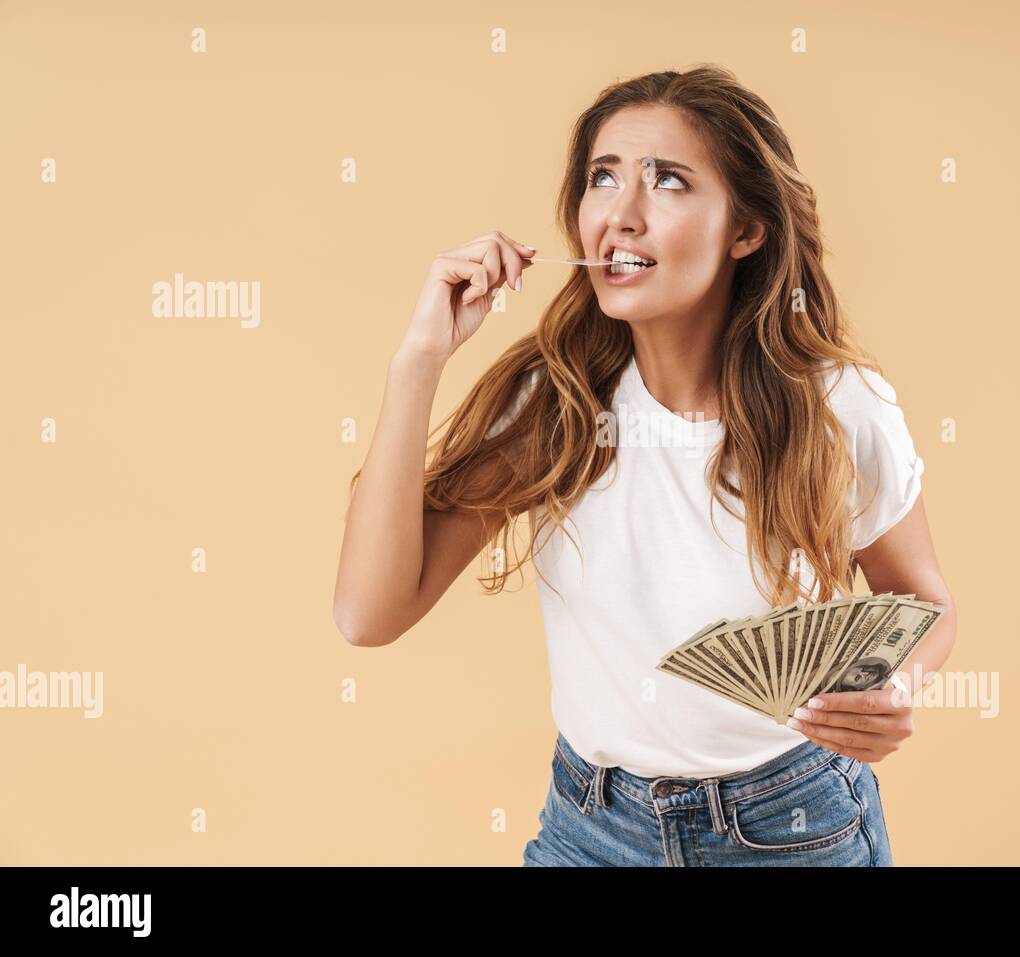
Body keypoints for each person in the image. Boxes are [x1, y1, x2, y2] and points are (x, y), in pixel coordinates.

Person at [332, 64, 957, 867]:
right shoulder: (551, 403)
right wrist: (418, 360)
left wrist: (898, 685)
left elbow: (924, 601)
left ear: (746, 230)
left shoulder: (839, 406)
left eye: (667, 181)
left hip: (792, 826)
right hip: (589, 827)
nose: (621, 216)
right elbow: (367, 614)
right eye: (603, 178)